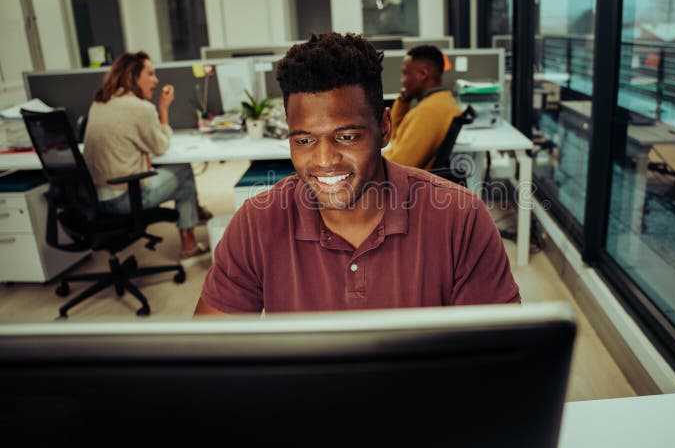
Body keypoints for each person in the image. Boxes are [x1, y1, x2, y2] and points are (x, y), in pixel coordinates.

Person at [195, 32, 520, 315]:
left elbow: (502, 360)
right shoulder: (256, 223)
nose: (324, 160)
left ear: (384, 128)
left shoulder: (462, 218)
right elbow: (209, 360)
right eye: (305, 140)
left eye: (347, 137)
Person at [83, 51, 211, 262]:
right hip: (124, 198)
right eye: (150, 74)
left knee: (176, 177)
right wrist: (163, 108)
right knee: (184, 171)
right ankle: (189, 246)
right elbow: (160, 146)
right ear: (133, 76)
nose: (156, 80)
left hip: (94, 198)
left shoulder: (100, 102)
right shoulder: (139, 108)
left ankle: (196, 213)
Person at [382, 44, 462, 169]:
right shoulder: (441, 101)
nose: (402, 80)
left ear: (423, 73)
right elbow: (396, 137)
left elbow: (398, 166)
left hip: (403, 185)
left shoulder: (429, 112)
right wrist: (403, 102)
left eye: (405, 73)